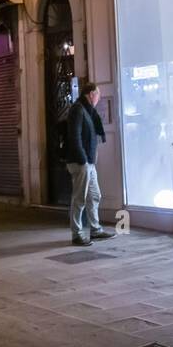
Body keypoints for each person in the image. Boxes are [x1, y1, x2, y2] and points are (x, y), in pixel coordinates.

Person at [65, 82, 112, 246]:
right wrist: (83, 160)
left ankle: (95, 229)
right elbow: (74, 136)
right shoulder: (78, 109)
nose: (99, 98)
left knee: (95, 195)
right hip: (81, 162)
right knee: (79, 198)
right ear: (91, 94)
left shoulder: (88, 111)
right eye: (98, 94)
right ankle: (76, 234)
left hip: (88, 163)